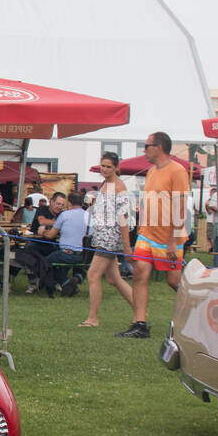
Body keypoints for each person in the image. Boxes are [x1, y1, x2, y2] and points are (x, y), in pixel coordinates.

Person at [117, 131, 189, 338]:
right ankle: (140, 323)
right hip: (146, 234)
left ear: (159, 147)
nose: (144, 150)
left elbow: (180, 207)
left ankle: (200, 306)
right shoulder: (150, 172)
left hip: (168, 238)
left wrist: (173, 242)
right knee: (139, 275)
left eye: (147, 145)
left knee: (174, 281)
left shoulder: (177, 171)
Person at [79, 152, 134, 327]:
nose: (104, 169)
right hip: (102, 235)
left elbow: (123, 217)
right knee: (114, 279)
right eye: (103, 165)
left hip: (110, 238)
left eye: (108, 166)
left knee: (93, 274)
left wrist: (126, 246)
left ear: (116, 167)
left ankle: (93, 318)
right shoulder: (105, 183)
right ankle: (141, 311)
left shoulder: (119, 186)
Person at [47, 192, 89, 297]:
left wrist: (42, 231)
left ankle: (65, 281)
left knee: (46, 261)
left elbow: (50, 235)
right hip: (84, 255)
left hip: (66, 254)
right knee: (86, 264)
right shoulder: (89, 216)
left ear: (69, 204)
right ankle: (77, 278)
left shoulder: (64, 215)